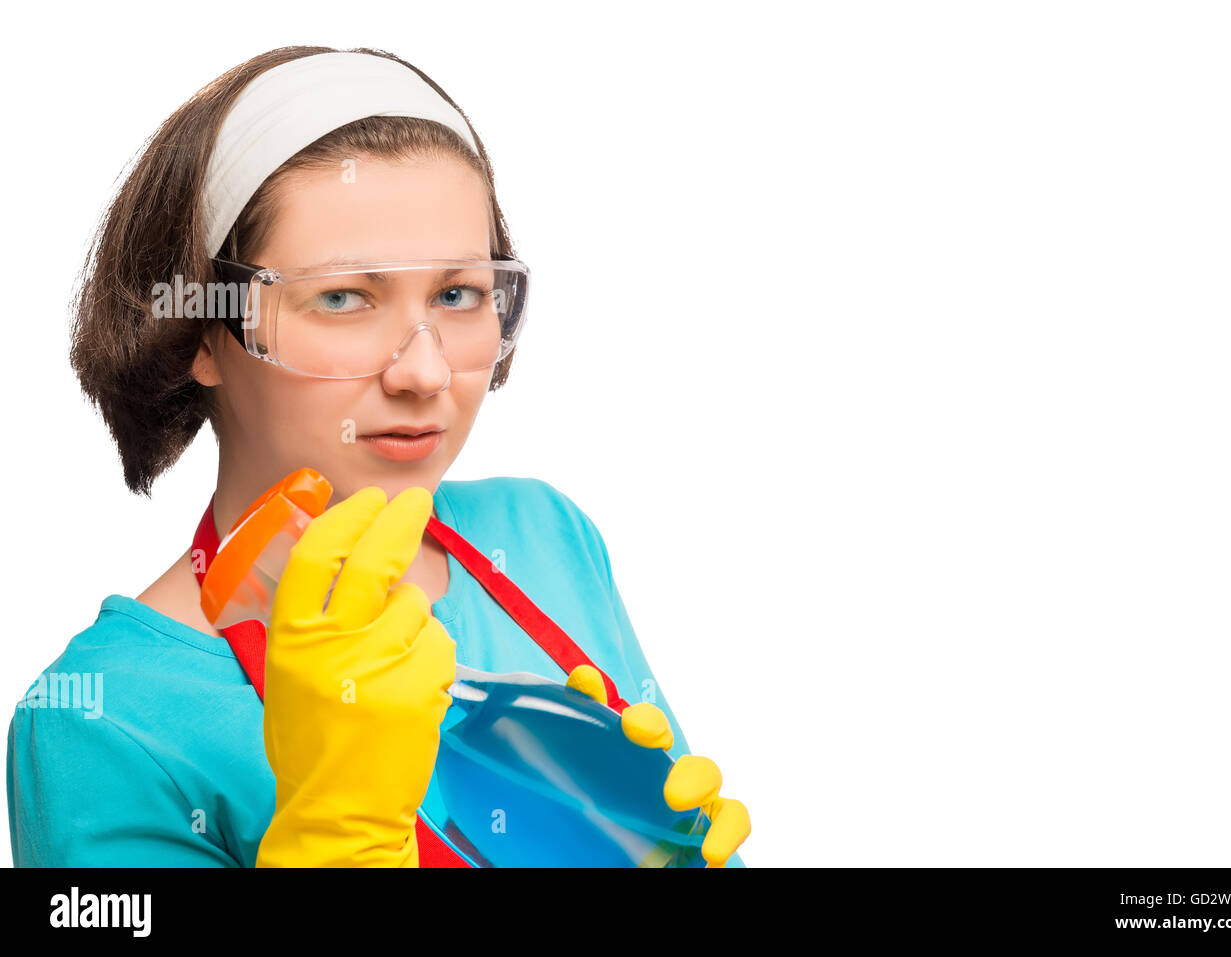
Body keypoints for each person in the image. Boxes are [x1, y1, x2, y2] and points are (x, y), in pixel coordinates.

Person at [7, 45, 749, 867]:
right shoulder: (103, 720)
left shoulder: (543, 533)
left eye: (457, 294)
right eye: (341, 298)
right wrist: (331, 836)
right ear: (202, 336)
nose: (424, 372)